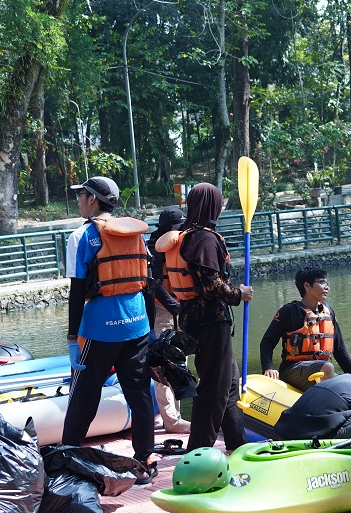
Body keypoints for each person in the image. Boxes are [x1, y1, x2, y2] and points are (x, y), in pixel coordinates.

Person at [64, 176, 177, 480]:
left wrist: (73, 337)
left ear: (92, 200)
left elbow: (77, 292)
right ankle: (145, 459)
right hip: (137, 323)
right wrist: (152, 330)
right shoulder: (134, 233)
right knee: (139, 394)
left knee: (83, 398)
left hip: (100, 329)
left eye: (82, 196)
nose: (79, 201)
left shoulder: (81, 237)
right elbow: (148, 283)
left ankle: (67, 459)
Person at [163, 182, 253, 452]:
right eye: (220, 200)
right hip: (210, 321)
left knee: (229, 387)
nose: (222, 204)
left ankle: (238, 445)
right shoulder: (204, 238)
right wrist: (239, 295)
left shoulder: (187, 234)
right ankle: (199, 450)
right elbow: (210, 284)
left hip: (193, 319)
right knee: (214, 388)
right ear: (212, 205)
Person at [259, 264, 351, 389]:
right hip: (293, 370)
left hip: (321, 371)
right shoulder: (288, 311)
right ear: (307, 286)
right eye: (321, 282)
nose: (327, 287)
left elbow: (340, 350)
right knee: (328, 367)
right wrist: (268, 368)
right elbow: (267, 342)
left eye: (327, 283)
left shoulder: (329, 311)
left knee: (347, 381)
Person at [146, 206, 191, 433]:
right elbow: (153, 282)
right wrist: (172, 305)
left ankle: (176, 417)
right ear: (167, 228)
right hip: (161, 311)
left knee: (179, 360)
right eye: (179, 226)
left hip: (180, 309)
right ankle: (171, 420)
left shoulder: (179, 243)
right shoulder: (155, 248)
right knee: (164, 363)